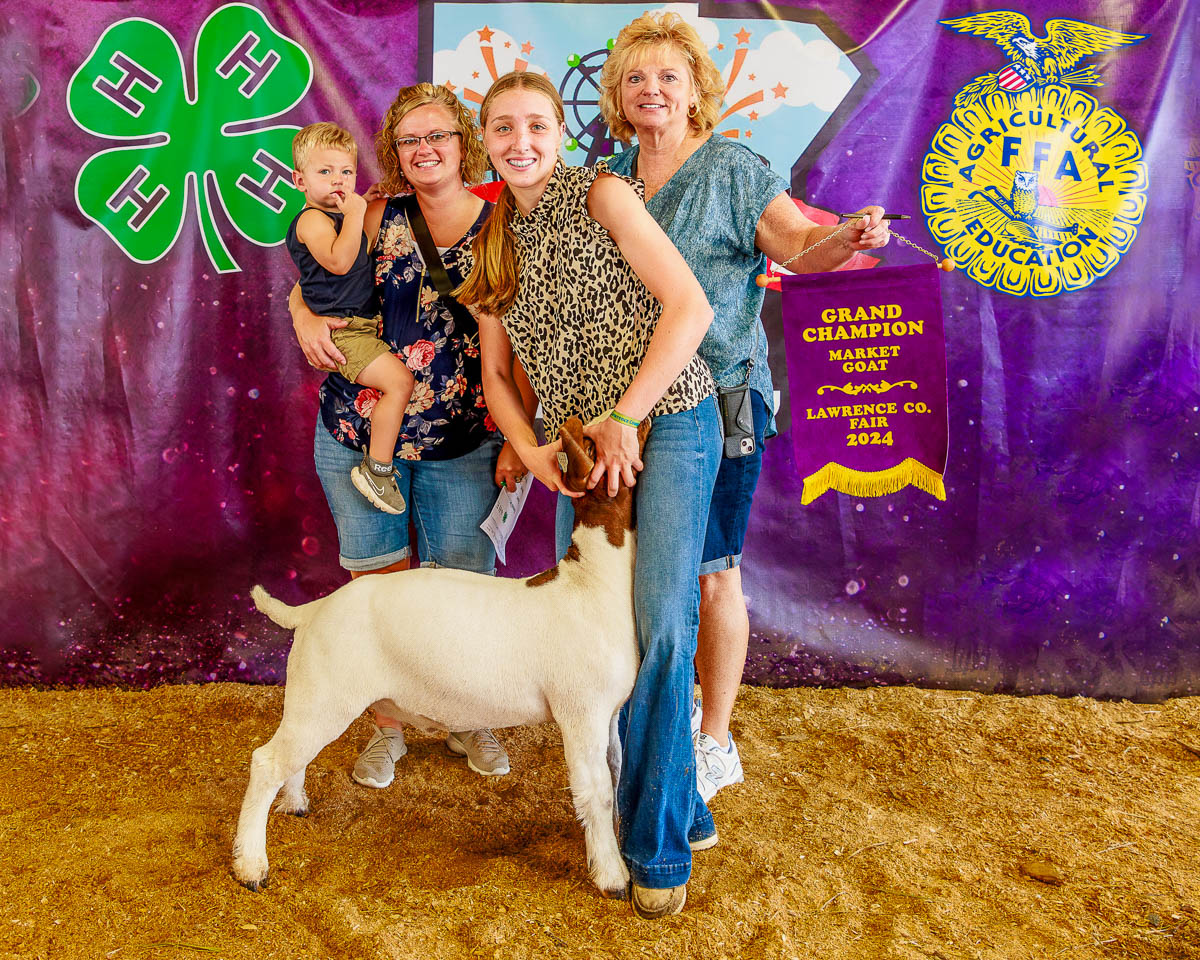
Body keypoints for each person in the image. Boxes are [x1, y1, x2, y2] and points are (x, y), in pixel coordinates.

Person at [598, 11, 893, 803]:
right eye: (636, 77)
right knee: (645, 582)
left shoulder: (732, 167)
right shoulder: (614, 179)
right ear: (617, 97)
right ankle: (664, 715)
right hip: (638, 410)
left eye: (668, 76)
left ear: (697, 90)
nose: (651, 89)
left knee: (711, 575)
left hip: (720, 401)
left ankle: (716, 739)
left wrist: (850, 238)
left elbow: (798, 245)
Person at [456, 70, 718, 919]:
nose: (520, 142)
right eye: (503, 129)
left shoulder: (604, 193)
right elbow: (497, 375)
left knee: (663, 626)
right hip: (575, 450)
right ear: (483, 141)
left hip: (668, 419)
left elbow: (691, 308)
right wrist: (531, 452)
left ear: (560, 132)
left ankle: (656, 845)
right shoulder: (490, 242)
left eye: (537, 124)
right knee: (605, 637)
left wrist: (626, 417)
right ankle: (685, 801)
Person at [289, 84, 528, 785]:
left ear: (465, 143)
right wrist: (301, 315)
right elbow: (318, 277)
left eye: (440, 136)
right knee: (378, 593)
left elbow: (522, 339)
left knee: (464, 591)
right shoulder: (372, 211)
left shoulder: (502, 223)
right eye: (410, 140)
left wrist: (522, 433)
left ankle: (467, 716)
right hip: (360, 437)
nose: (426, 150)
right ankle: (388, 724)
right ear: (394, 151)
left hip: (467, 442)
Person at [287, 122, 415, 516]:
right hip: (344, 329)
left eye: (346, 172)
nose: (338, 182)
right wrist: (358, 210)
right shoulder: (311, 220)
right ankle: (377, 469)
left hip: (359, 324)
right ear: (299, 180)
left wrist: (363, 204)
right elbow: (342, 262)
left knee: (396, 383)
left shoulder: (339, 215)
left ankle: (377, 463)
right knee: (400, 383)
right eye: (324, 172)